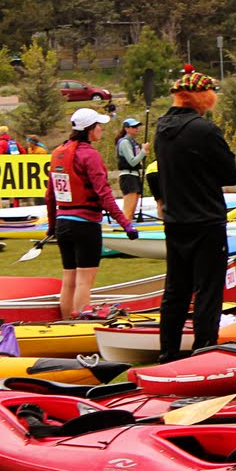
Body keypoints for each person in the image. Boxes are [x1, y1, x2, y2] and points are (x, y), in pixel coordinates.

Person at [154, 66, 236, 362]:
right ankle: (204, 346)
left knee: (176, 288)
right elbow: (230, 174)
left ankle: (168, 350)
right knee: (208, 288)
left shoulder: (161, 129)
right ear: (201, 97)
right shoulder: (204, 130)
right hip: (206, 219)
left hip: (175, 220)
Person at [45, 108, 140, 319]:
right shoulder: (90, 155)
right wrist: (126, 224)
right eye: (99, 125)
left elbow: (50, 196)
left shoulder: (57, 153)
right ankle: (79, 326)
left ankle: (65, 324)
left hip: (63, 224)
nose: (102, 128)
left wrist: (52, 226)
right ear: (89, 130)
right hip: (85, 225)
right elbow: (105, 195)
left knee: (68, 281)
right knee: (83, 282)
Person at [116, 117, 150, 221]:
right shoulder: (125, 142)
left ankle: (128, 225)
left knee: (132, 210)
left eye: (137, 126)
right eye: (133, 127)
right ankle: (125, 227)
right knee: (129, 210)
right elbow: (132, 161)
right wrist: (143, 152)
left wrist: (143, 153)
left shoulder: (133, 143)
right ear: (126, 128)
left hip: (134, 176)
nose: (136, 129)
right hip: (128, 176)